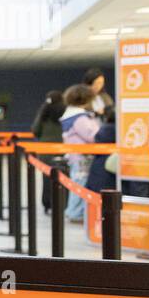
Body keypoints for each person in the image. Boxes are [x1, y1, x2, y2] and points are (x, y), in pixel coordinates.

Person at [60, 83, 100, 222]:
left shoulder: (70, 115)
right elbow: (92, 135)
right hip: (82, 157)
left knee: (76, 183)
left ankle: (73, 211)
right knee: (80, 185)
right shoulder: (80, 118)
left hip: (74, 156)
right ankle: (75, 213)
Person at [32, 90, 66, 213]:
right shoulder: (65, 112)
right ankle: (60, 204)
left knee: (47, 177)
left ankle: (47, 203)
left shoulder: (43, 113)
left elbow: (35, 130)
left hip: (45, 150)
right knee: (62, 178)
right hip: (61, 149)